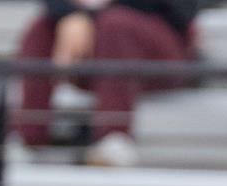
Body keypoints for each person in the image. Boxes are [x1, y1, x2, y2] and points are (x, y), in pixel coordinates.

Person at [14, 1, 206, 168]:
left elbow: (176, 9)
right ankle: (29, 138)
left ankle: (114, 139)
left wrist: (86, 17)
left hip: (162, 55)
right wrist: (71, 16)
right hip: (90, 54)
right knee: (41, 28)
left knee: (115, 23)